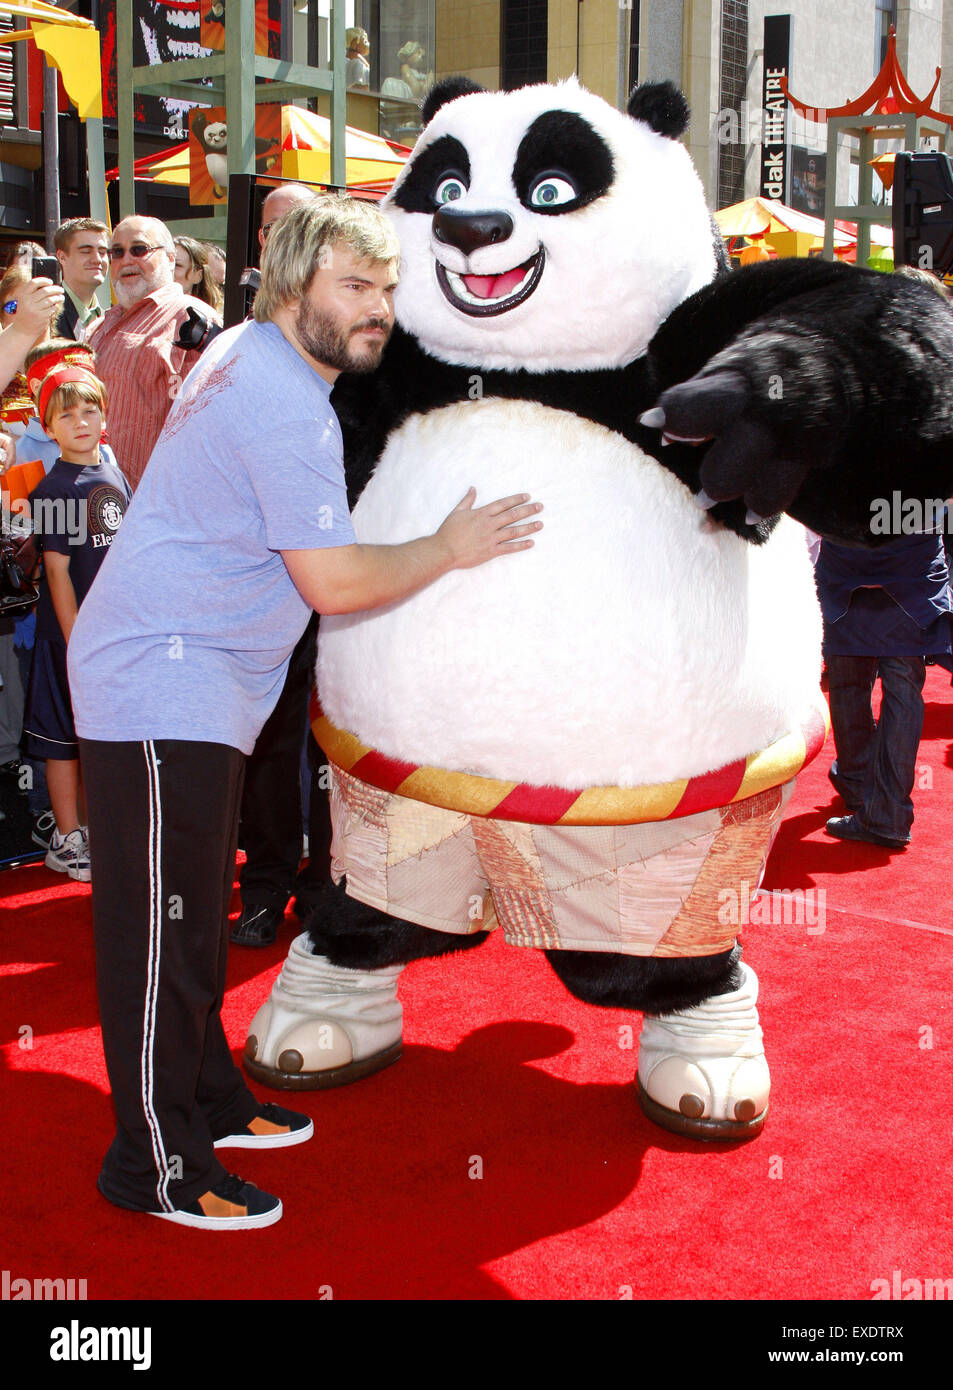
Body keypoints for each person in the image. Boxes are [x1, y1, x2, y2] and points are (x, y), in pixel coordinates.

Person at [67, 195, 543, 1232]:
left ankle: (205, 1097)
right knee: (163, 933)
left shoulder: (252, 351)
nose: (376, 308)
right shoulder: (283, 397)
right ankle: (153, 1160)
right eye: (352, 286)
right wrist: (448, 550)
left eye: (384, 289)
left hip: (196, 683)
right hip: (163, 680)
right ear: (291, 282)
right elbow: (330, 580)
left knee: (188, 916)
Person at [230, 180, 322, 949]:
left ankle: (331, 886)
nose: (285, 242)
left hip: (349, 573)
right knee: (268, 741)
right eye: (273, 229)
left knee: (342, 744)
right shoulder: (240, 338)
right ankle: (264, 885)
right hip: (263, 576)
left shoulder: (359, 333)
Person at [21, 361, 131, 880]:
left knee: (98, 736)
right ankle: (66, 839)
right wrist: (75, 640)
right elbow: (58, 574)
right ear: (48, 428)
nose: (81, 423)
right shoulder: (52, 490)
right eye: (67, 416)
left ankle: (94, 826)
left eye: (90, 411)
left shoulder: (114, 470)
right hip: (70, 638)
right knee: (64, 740)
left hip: (114, 635)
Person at [819, 528, 953, 849]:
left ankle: (859, 783)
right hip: (910, 555)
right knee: (902, 684)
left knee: (848, 675)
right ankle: (885, 810)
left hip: (853, 549)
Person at [87, 216, 221, 491]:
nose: (126, 260)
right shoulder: (98, 325)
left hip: (159, 506)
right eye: (117, 252)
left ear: (170, 258)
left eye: (139, 249)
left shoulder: (191, 317)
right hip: (97, 504)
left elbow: (210, 423)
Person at [53, 218, 110, 342]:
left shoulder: (115, 318)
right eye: (86, 251)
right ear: (62, 257)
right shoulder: (46, 315)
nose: (97, 259)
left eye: (102, 252)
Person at [173, 235, 224, 315]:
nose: (168, 269)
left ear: (198, 276)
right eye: (165, 263)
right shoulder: (148, 307)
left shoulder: (207, 318)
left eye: (177, 265)